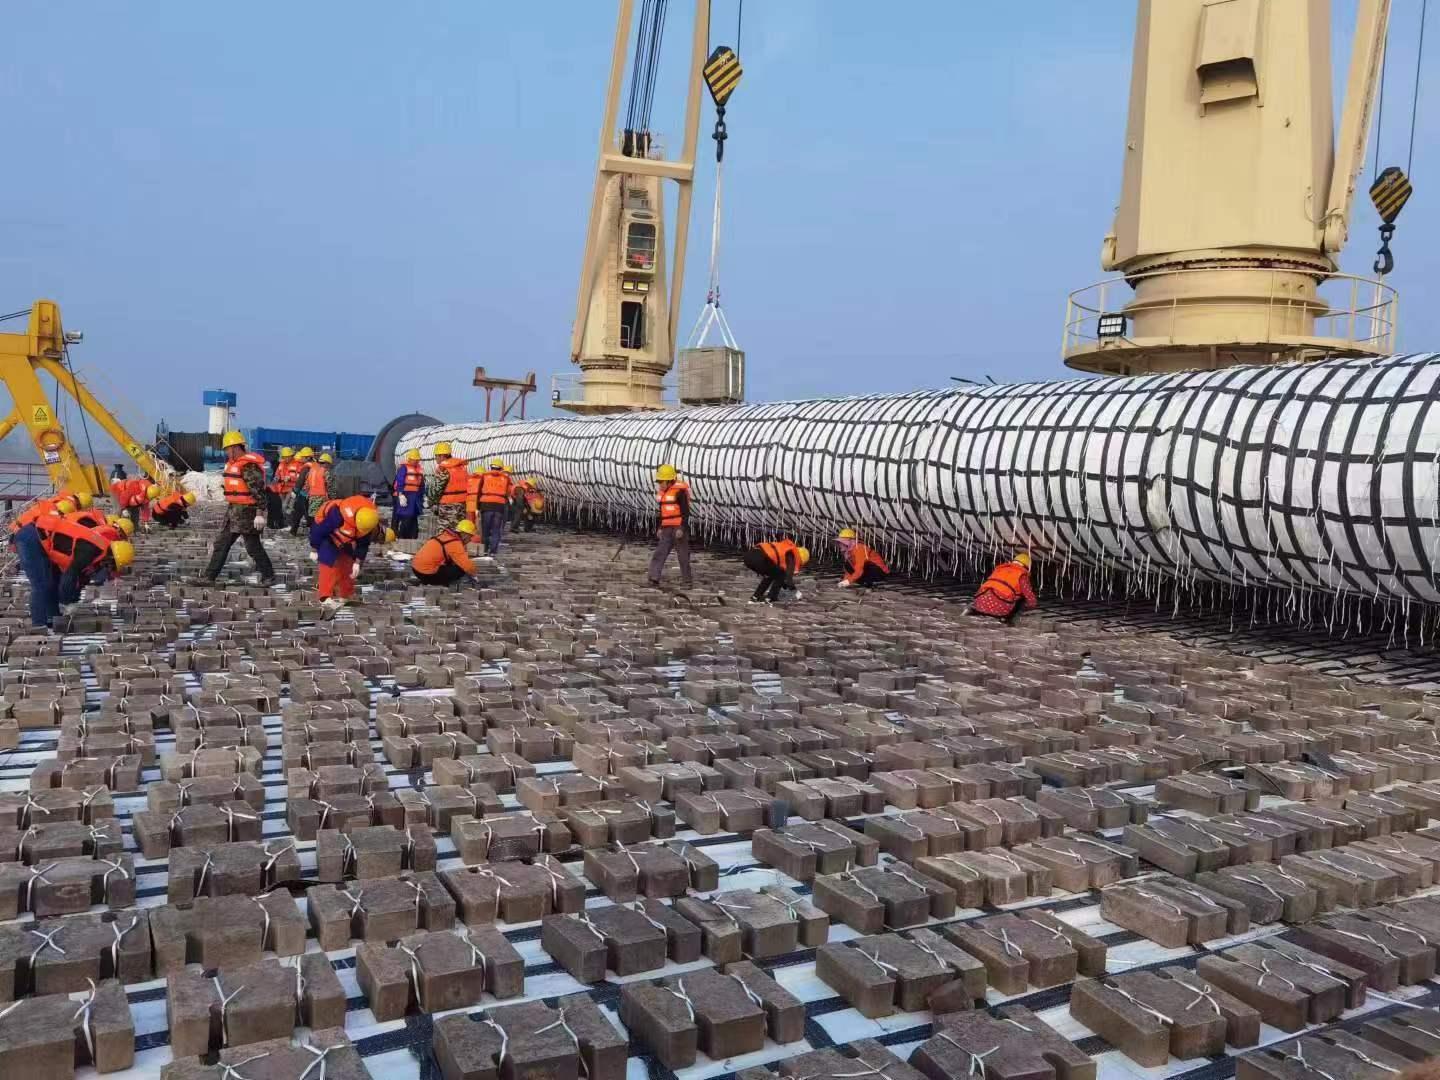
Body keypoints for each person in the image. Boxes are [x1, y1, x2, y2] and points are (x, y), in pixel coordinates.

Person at [15, 513, 133, 627]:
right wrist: (66, 602)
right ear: (111, 557)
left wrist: (74, 597)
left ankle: (53, 618)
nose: (108, 568)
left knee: (52, 581)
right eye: (111, 565)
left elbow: (80, 576)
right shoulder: (89, 550)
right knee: (42, 584)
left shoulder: (99, 549)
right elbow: (70, 575)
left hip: (43, 540)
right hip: (32, 537)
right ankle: (38, 626)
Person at [200, 431, 275, 585]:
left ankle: (269, 576)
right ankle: (209, 577)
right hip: (234, 511)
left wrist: (260, 513)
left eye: (227, 449)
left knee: (252, 546)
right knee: (222, 543)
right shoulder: (233, 464)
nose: (226, 452)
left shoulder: (249, 466)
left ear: (235, 447)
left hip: (248, 512)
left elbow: (259, 491)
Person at [309, 494, 381, 611]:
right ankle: (325, 597)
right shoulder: (337, 515)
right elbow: (319, 531)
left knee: (348, 565)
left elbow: (363, 544)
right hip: (329, 536)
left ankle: (345, 595)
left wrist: (357, 562)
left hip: (347, 538)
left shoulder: (368, 521)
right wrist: (314, 548)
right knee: (328, 564)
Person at [648, 464, 692, 587]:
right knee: (659, 552)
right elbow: (662, 512)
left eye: (661, 481)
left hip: (678, 528)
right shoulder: (662, 493)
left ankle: (687, 581)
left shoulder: (680, 492)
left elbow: (685, 512)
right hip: (666, 527)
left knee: (683, 556)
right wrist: (660, 528)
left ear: (669, 481)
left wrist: (682, 528)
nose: (660, 484)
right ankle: (654, 578)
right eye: (659, 481)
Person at [971, 551, 1037, 624]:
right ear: (1027, 566)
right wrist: (1031, 607)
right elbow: (1029, 596)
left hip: (978, 604)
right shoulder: (1022, 575)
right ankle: (1010, 621)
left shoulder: (999, 569)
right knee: (1022, 598)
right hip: (999, 609)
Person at [411, 519, 480, 585]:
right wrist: (475, 576)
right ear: (465, 535)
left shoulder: (445, 536)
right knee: (460, 570)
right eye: (470, 536)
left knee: (452, 563)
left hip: (416, 568)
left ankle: (429, 580)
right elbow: (467, 565)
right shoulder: (455, 543)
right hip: (426, 573)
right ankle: (437, 583)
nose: (470, 540)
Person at [468, 458, 514, 556]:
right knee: (496, 529)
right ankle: (493, 551)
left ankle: (485, 549)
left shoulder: (484, 476)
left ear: (491, 467)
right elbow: (508, 493)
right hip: (499, 506)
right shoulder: (506, 479)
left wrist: (478, 507)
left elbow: (479, 492)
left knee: (485, 529)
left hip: (486, 506)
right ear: (501, 468)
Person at [744, 538, 808, 604]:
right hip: (760, 558)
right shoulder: (791, 556)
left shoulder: (785, 549)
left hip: (749, 557)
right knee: (781, 574)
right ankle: (770, 598)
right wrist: (796, 592)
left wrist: (784, 584)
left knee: (770, 574)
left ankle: (755, 597)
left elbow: (782, 579)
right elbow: (787, 579)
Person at [427, 442, 469, 530]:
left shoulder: (444, 469)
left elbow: (436, 490)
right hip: (462, 505)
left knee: (445, 532)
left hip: (448, 507)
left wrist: (431, 503)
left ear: (442, 456)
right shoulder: (462, 468)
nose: (436, 459)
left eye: (436, 456)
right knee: (458, 531)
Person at [392, 448, 425, 539]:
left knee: (413, 517)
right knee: (406, 517)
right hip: (406, 497)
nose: (416, 461)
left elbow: (421, 485)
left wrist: (423, 497)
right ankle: (402, 536)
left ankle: (413, 536)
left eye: (417, 460)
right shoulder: (404, 468)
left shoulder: (419, 470)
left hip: (415, 498)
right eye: (415, 459)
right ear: (410, 459)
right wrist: (401, 494)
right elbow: (400, 481)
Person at [288, 447, 316, 535]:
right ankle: (313, 532)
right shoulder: (316, 466)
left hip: (304, 494)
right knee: (310, 514)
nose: (301, 458)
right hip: (313, 494)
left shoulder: (306, 467)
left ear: (308, 457)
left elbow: (300, 481)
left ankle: (293, 531)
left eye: (303, 457)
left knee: (297, 513)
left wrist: (295, 491)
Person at [267, 446, 297, 523]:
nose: (286, 458)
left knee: (286, 506)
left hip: (291, 489)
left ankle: (289, 522)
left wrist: (290, 478)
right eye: (284, 457)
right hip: (281, 488)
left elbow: (300, 477)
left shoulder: (297, 464)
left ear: (291, 456)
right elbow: (277, 474)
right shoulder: (281, 464)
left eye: (287, 457)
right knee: (282, 506)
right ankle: (285, 522)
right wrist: (275, 479)